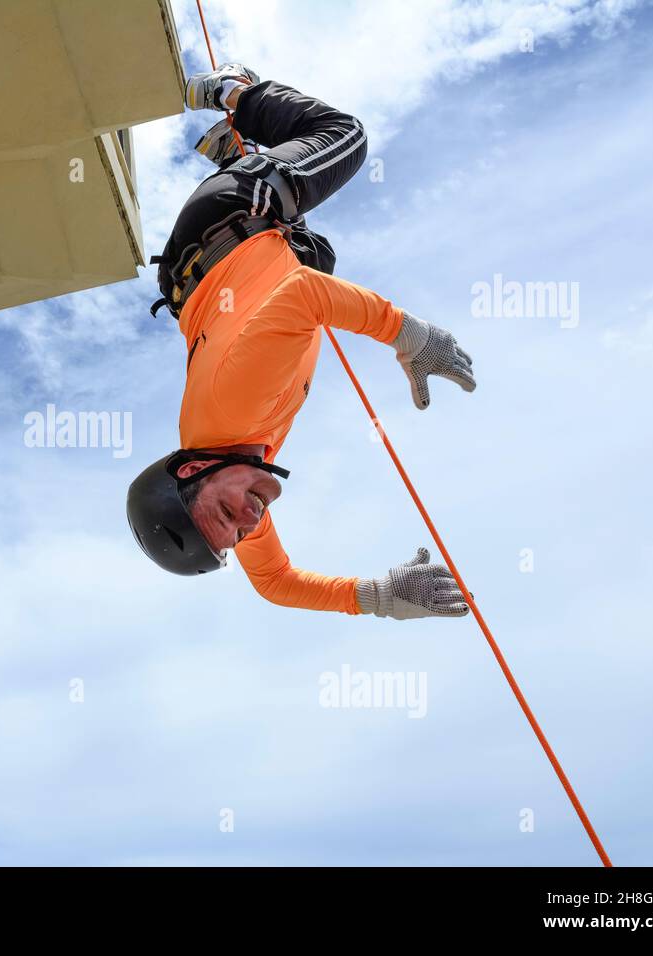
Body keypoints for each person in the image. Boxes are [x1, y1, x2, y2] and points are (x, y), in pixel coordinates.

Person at [128, 65, 477, 620]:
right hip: (209, 274)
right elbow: (273, 582)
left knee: (344, 138)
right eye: (238, 536)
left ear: (192, 472)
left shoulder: (235, 409)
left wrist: (409, 336)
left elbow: (304, 296)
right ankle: (234, 151)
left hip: (231, 217)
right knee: (315, 252)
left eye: (228, 515)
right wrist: (377, 598)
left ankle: (233, 92)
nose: (250, 523)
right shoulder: (235, 464)